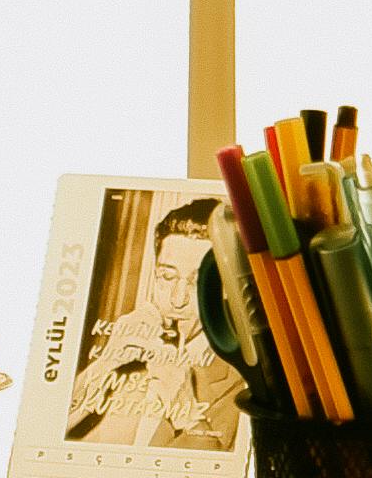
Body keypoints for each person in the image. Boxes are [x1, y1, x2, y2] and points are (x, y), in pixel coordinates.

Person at [64, 192, 241, 448]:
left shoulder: (242, 380)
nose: (177, 299)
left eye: (197, 282)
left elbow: (217, 469)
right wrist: (105, 364)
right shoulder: (129, 346)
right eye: (167, 277)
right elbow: (43, 431)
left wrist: (186, 410)